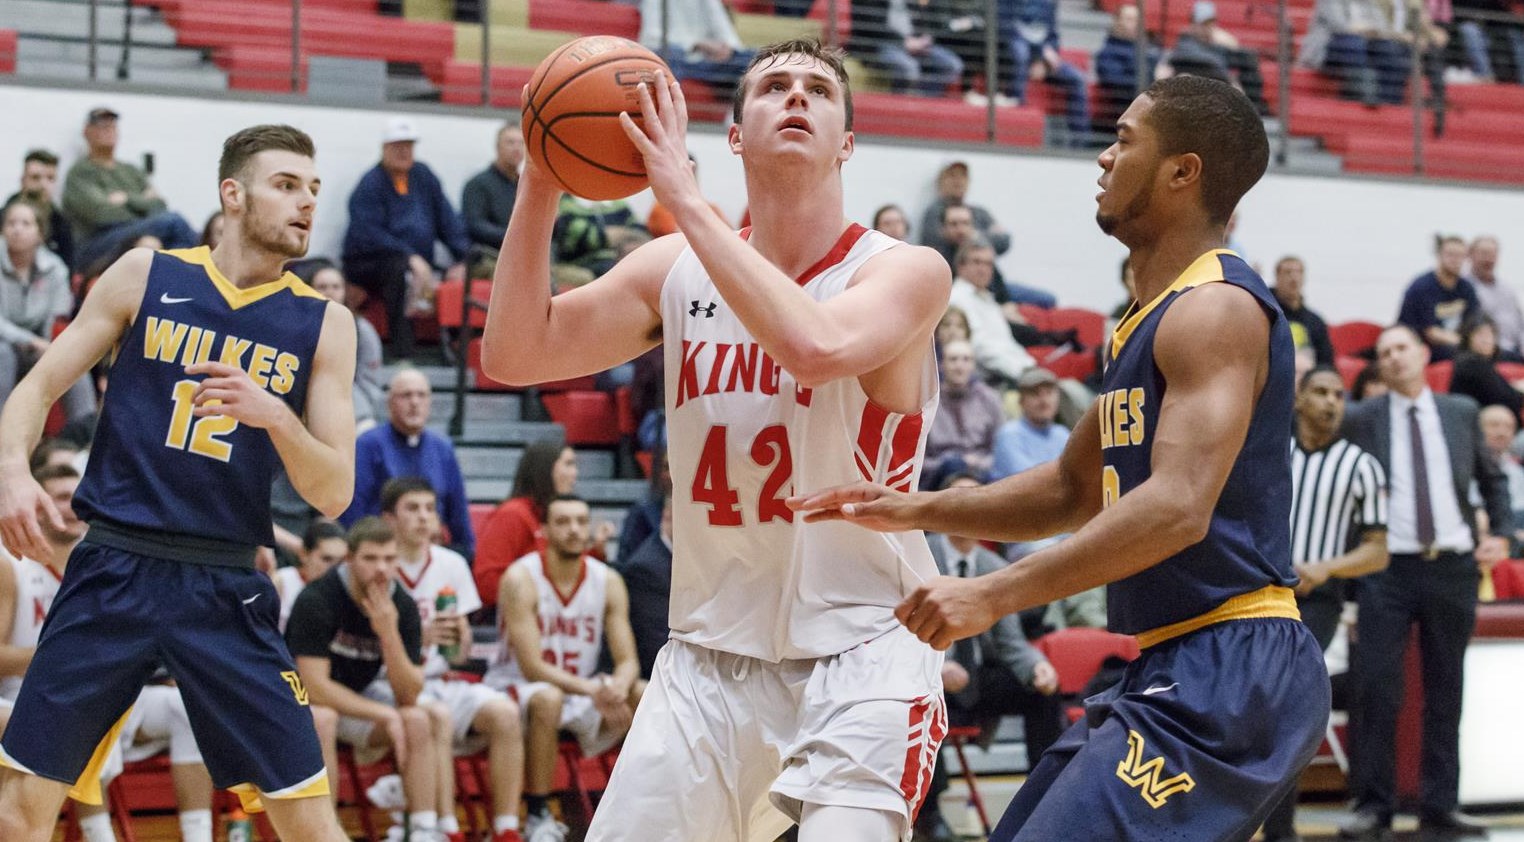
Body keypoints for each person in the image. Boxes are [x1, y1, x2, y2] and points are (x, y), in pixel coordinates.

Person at [792, 75, 1330, 840]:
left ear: (1183, 172)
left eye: (1125, 141)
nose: (1104, 158)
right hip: (1174, 663)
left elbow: (1177, 509)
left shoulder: (1214, 309)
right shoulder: (1146, 321)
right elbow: (1071, 489)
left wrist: (992, 594)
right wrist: (914, 507)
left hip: (1235, 662)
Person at [484, 38, 951, 840]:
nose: (796, 96)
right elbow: (514, 353)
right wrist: (540, 177)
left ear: (847, 143)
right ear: (735, 135)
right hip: (707, 657)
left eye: (818, 90)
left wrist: (685, 198)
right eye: (773, 87)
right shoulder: (674, 271)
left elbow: (818, 347)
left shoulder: (905, 271)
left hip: (865, 652)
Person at [0, 124, 355, 842]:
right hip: (114, 565)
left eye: (314, 189)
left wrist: (275, 418)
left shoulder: (326, 324)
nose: (307, 203)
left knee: (311, 824)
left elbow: (334, 492)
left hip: (225, 581)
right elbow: (36, 388)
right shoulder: (145, 274)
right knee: (18, 809)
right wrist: (11, 470)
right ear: (233, 194)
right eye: (286, 185)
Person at [1337, 324, 1510, 841]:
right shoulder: (1362, 417)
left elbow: (1492, 479)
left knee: (1446, 690)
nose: (1392, 357)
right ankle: (1374, 807)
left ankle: (1440, 806)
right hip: (1386, 568)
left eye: (1401, 348)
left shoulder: (1461, 411)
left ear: (1423, 353)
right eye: (1384, 351)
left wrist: (1502, 533)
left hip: (1451, 565)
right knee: (1376, 689)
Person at [1259, 366, 1389, 842]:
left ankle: (1280, 831)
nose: (1332, 401)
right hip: (1256, 597)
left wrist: (1326, 567)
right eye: (1320, 392)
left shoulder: (1361, 465)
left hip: (1316, 603)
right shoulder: (1271, 453)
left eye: (1338, 394)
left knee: (1286, 707)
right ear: (1297, 399)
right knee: (1257, 708)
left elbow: (1378, 551)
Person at [283, 518, 453, 842]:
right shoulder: (318, 599)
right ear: (349, 559)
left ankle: (424, 830)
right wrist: (384, 714)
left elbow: (408, 695)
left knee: (417, 719)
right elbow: (313, 686)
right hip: (305, 701)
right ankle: (326, 831)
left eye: (389, 559)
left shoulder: (401, 605)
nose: (382, 569)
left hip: (358, 695)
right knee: (324, 719)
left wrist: (389, 633)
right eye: (371, 559)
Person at [487, 495, 644, 842]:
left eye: (581, 521)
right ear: (543, 530)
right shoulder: (520, 578)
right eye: (563, 522)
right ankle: (538, 814)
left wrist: (618, 687)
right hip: (516, 689)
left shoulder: (607, 580)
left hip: (579, 690)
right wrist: (594, 690)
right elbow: (532, 667)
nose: (574, 530)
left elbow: (628, 660)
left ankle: (637, 808)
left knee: (644, 693)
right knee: (548, 698)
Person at [379, 477, 526, 842]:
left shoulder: (452, 564)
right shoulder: (377, 565)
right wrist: (419, 637)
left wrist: (461, 638)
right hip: (389, 683)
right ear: (389, 519)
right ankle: (447, 828)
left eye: (430, 509)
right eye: (412, 509)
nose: (423, 517)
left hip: (441, 679)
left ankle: (506, 828)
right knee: (437, 716)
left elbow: (460, 656)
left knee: (506, 714)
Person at [342, 116, 470, 360]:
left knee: (463, 275)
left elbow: (447, 219)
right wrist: (409, 256)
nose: (404, 151)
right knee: (398, 272)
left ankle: (454, 351)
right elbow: (367, 233)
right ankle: (404, 354)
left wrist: (464, 259)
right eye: (397, 146)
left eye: (408, 145)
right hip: (370, 262)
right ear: (385, 148)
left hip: (416, 260)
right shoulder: (370, 183)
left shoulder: (423, 176)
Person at [341, 368, 475, 560]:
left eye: (421, 395)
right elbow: (354, 510)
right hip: (381, 555)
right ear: (390, 402)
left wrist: (467, 555)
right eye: (406, 395)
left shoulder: (442, 448)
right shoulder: (368, 445)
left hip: (431, 553)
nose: (414, 402)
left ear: (430, 402)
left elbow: (458, 512)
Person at [61, 107, 198, 272]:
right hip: (96, 244)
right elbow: (101, 214)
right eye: (102, 126)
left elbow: (159, 205)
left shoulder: (131, 170)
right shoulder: (80, 173)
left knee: (171, 236)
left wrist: (126, 199)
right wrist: (143, 206)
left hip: (136, 231)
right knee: (173, 222)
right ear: (87, 132)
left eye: (112, 126)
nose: (108, 130)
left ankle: (180, 279)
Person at [1, 200, 96, 423]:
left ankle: (84, 432)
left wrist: (50, 348)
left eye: (26, 224)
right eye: (11, 223)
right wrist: (31, 341)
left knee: (71, 357)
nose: (17, 229)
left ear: (40, 233)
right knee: (2, 354)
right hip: (6, 344)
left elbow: (56, 318)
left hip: (38, 346)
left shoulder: (55, 268)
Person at [473, 438, 578, 609]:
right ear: (545, 469)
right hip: (516, 615)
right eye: (568, 464)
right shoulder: (512, 514)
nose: (575, 473)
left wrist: (596, 552)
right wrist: (537, 595)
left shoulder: (554, 515)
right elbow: (487, 581)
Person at [291, 258, 386, 430]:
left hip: (353, 412)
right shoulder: (294, 327)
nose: (330, 292)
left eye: (336, 287)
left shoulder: (362, 330)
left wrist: (353, 410)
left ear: (344, 291)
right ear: (309, 289)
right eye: (322, 287)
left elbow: (370, 383)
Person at [923, 339, 1004, 489]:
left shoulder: (990, 399)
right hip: (937, 473)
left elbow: (999, 448)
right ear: (941, 365)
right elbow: (919, 457)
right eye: (953, 359)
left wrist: (976, 462)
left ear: (973, 365)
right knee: (953, 464)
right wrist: (946, 463)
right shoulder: (927, 400)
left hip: (980, 470)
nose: (959, 366)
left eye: (966, 359)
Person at [1397, 234, 1479, 360]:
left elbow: (1475, 321)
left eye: (1460, 256)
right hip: (1420, 345)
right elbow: (1431, 333)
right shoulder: (1423, 286)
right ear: (1439, 255)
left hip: (1454, 344)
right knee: (1468, 356)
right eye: (1450, 255)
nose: (1455, 260)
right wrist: (1466, 343)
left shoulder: (1466, 288)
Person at [461, 121, 524, 260]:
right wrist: (514, 237)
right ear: (497, 147)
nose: (517, 148)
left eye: (521, 143)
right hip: (489, 257)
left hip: (523, 256)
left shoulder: (525, 187)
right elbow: (475, 225)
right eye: (510, 142)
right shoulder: (478, 184)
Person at [273, 519, 348, 633]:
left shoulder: (346, 589)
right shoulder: (281, 581)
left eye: (340, 562)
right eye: (326, 559)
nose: (334, 568)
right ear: (304, 554)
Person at [7, 150, 75, 271]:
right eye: (35, 177)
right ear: (23, 180)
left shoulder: (61, 223)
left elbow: (68, 268)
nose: (43, 185)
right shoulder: (4, 217)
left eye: (50, 178)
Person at [1449, 315, 1524, 415]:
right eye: (1480, 335)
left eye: (1490, 335)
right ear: (1468, 338)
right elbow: (1507, 400)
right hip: (1473, 418)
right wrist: (1518, 390)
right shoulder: (1471, 363)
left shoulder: (1485, 360)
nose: (1486, 340)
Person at [1271, 255, 1335, 366]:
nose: (1294, 277)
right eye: (1288, 272)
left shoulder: (1315, 321)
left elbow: (1326, 361)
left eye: (1299, 272)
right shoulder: (1266, 313)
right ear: (1277, 276)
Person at [1468, 236, 1523, 353]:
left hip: (1516, 348)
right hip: (1489, 351)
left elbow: (1520, 323)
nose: (1488, 259)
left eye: (1492, 255)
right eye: (1484, 254)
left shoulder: (1507, 289)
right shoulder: (1465, 288)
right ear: (1470, 255)